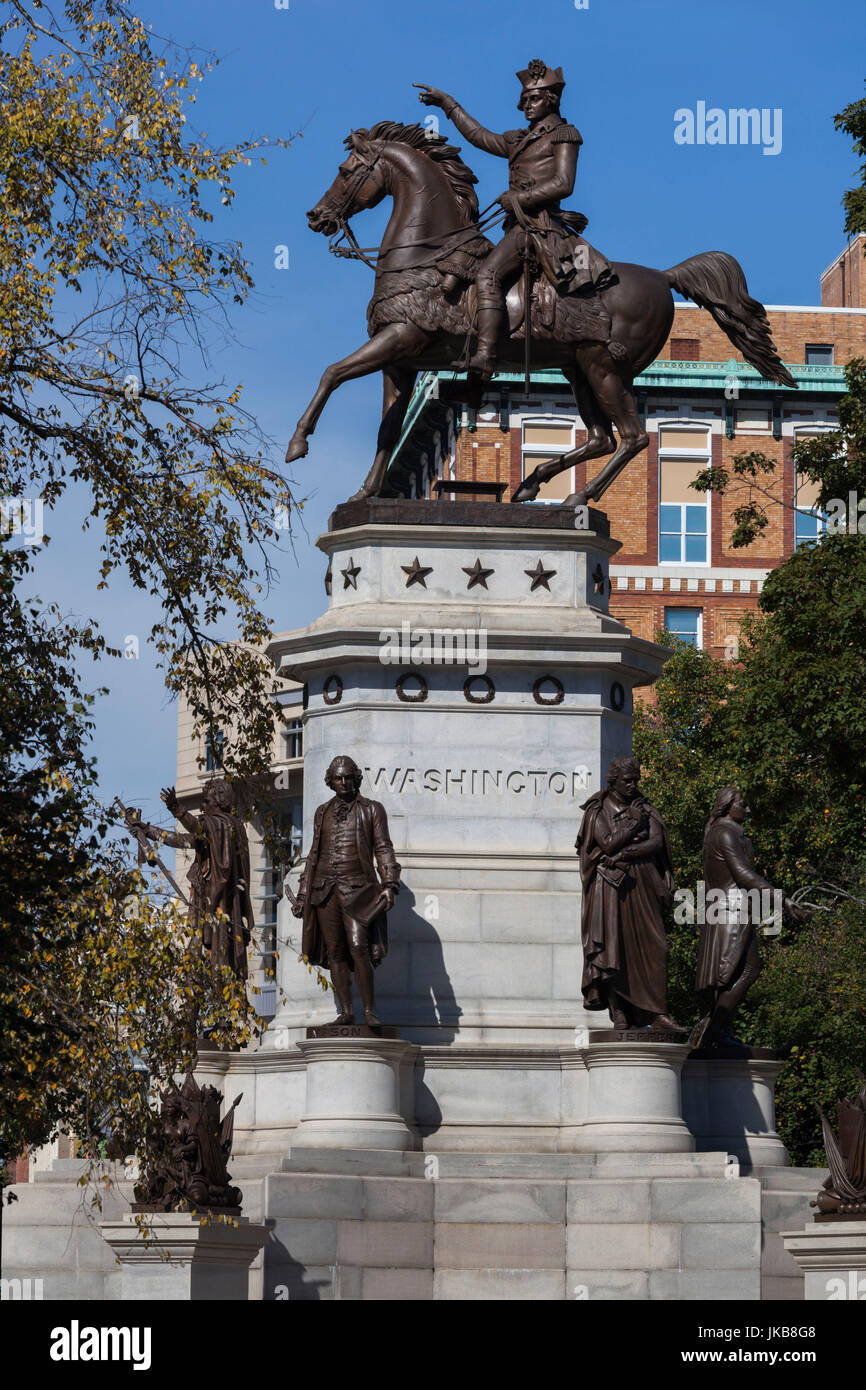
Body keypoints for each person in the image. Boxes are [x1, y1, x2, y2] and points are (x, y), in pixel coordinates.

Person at [416, 59, 615, 377]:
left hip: (539, 227)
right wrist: (447, 104)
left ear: (550, 99)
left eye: (533, 99)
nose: (525, 106)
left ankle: (485, 355)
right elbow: (478, 135)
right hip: (517, 226)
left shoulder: (564, 135)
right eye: (524, 100)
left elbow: (564, 183)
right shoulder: (517, 139)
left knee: (488, 275)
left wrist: (518, 198)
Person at [577, 756, 686, 1033]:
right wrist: (635, 825)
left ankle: (657, 1013)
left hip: (644, 883)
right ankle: (620, 1012)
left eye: (636, 779)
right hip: (612, 888)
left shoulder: (645, 807)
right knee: (615, 948)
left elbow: (657, 841)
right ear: (612, 781)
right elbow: (607, 842)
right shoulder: (597, 810)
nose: (633, 784)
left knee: (656, 946)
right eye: (627, 780)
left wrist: (628, 849)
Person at [694, 787, 809, 1048]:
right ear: (727, 806)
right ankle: (715, 1029)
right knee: (737, 972)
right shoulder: (724, 833)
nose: (748, 809)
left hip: (736, 909)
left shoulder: (728, 833)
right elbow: (743, 874)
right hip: (730, 910)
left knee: (742, 971)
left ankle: (718, 1030)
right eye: (743, 804)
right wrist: (782, 899)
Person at [292, 756, 400, 1027]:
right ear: (330, 781)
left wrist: (389, 884)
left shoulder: (372, 809)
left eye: (348, 777)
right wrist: (304, 894)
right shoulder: (322, 812)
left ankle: (369, 1011)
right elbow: (313, 855)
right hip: (324, 891)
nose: (343, 782)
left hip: (358, 892)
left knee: (358, 947)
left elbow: (383, 847)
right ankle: (346, 1012)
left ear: (356, 778)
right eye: (338, 778)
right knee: (335, 952)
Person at [130, 778, 254, 980]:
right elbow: (184, 840)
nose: (203, 807)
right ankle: (197, 1003)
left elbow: (194, 830)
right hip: (210, 907)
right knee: (195, 967)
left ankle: (228, 1004)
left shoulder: (222, 825)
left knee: (220, 966)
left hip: (218, 906)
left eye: (206, 801)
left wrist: (176, 809)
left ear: (219, 801)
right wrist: (148, 831)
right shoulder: (226, 828)